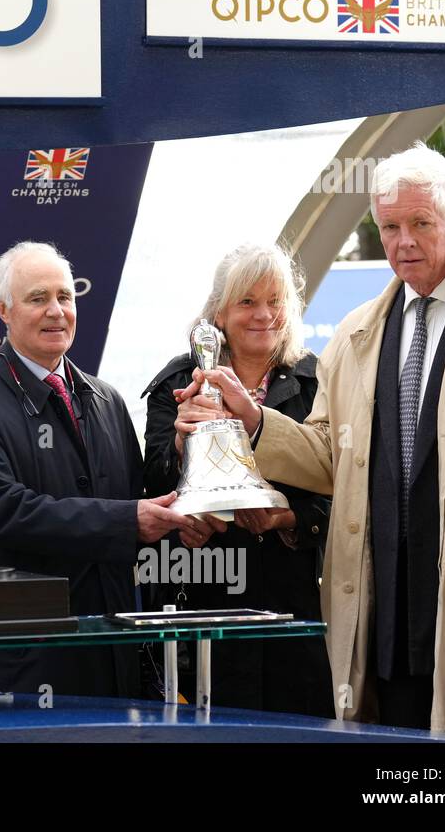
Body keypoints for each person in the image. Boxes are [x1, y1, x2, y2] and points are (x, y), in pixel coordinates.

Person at [182, 143, 445, 739]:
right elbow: (330, 459)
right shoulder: (356, 333)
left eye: (420, 224)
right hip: (384, 619)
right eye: (389, 227)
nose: (402, 241)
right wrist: (252, 420)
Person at [0, 241, 192, 697]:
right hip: (23, 666)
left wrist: (183, 511)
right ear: (3, 309)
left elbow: (136, 498)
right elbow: (4, 512)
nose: (56, 311)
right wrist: (128, 519)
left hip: (111, 656)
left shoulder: (106, 399)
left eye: (65, 297)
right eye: (38, 299)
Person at [142, 243, 332, 716]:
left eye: (275, 300)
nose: (263, 314)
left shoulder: (320, 382)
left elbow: (351, 491)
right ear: (218, 313)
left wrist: (289, 518)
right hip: (207, 599)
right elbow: (152, 483)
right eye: (247, 301)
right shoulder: (178, 383)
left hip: (301, 607)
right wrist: (185, 447)